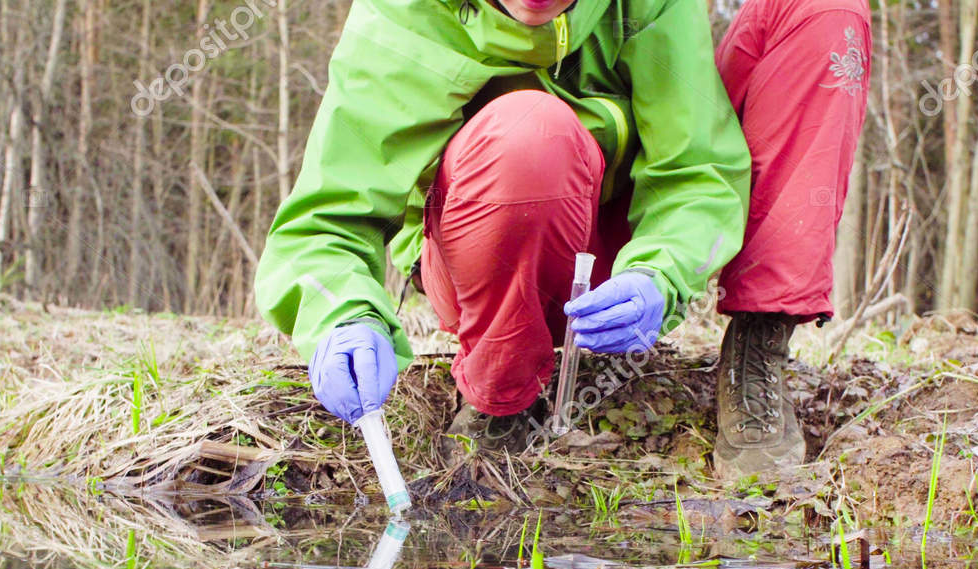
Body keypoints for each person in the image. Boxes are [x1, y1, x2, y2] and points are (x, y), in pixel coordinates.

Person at [256, 0, 870, 482]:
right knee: (533, 132)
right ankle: (503, 393)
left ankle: (757, 350)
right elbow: (329, 219)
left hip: (622, 247)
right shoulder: (403, 12)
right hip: (486, 244)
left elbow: (698, 170)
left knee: (820, 7)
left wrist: (661, 271)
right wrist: (343, 316)